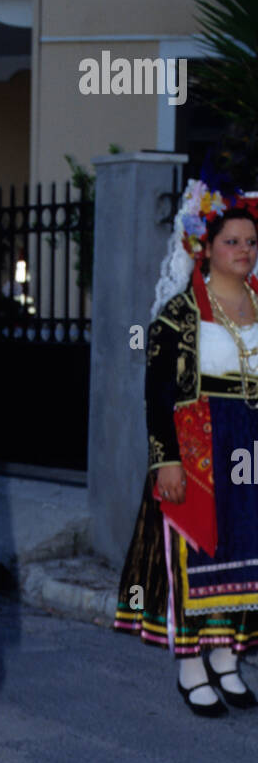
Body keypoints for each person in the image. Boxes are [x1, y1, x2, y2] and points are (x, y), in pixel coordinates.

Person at [115, 177, 258, 714]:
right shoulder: (179, 314)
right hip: (201, 449)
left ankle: (227, 657)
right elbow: (156, 393)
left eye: (249, 242)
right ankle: (191, 663)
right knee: (198, 555)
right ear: (204, 248)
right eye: (232, 242)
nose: (243, 251)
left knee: (245, 551)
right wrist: (165, 458)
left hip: (251, 447)